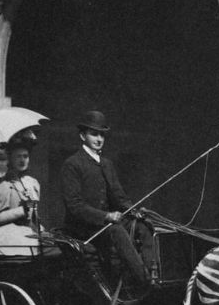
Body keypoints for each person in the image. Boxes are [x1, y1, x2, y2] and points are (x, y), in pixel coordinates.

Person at [61, 110, 153, 288]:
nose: (99, 139)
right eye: (93, 134)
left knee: (143, 226)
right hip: (83, 229)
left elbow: (119, 197)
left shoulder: (107, 164)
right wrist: (106, 216)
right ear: (82, 136)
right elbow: (74, 206)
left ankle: (151, 274)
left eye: (102, 135)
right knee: (117, 231)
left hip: (106, 225)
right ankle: (142, 280)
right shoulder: (72, 164)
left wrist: (133, 211)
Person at [0, 134, 42, 256]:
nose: (22, 160)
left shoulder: (32, 183)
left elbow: (34, 217)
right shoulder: (1, 185)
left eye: (25, 156)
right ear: (10, 159)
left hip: (30, 234)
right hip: (8, 237)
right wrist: (22, 210)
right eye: (18, 157)